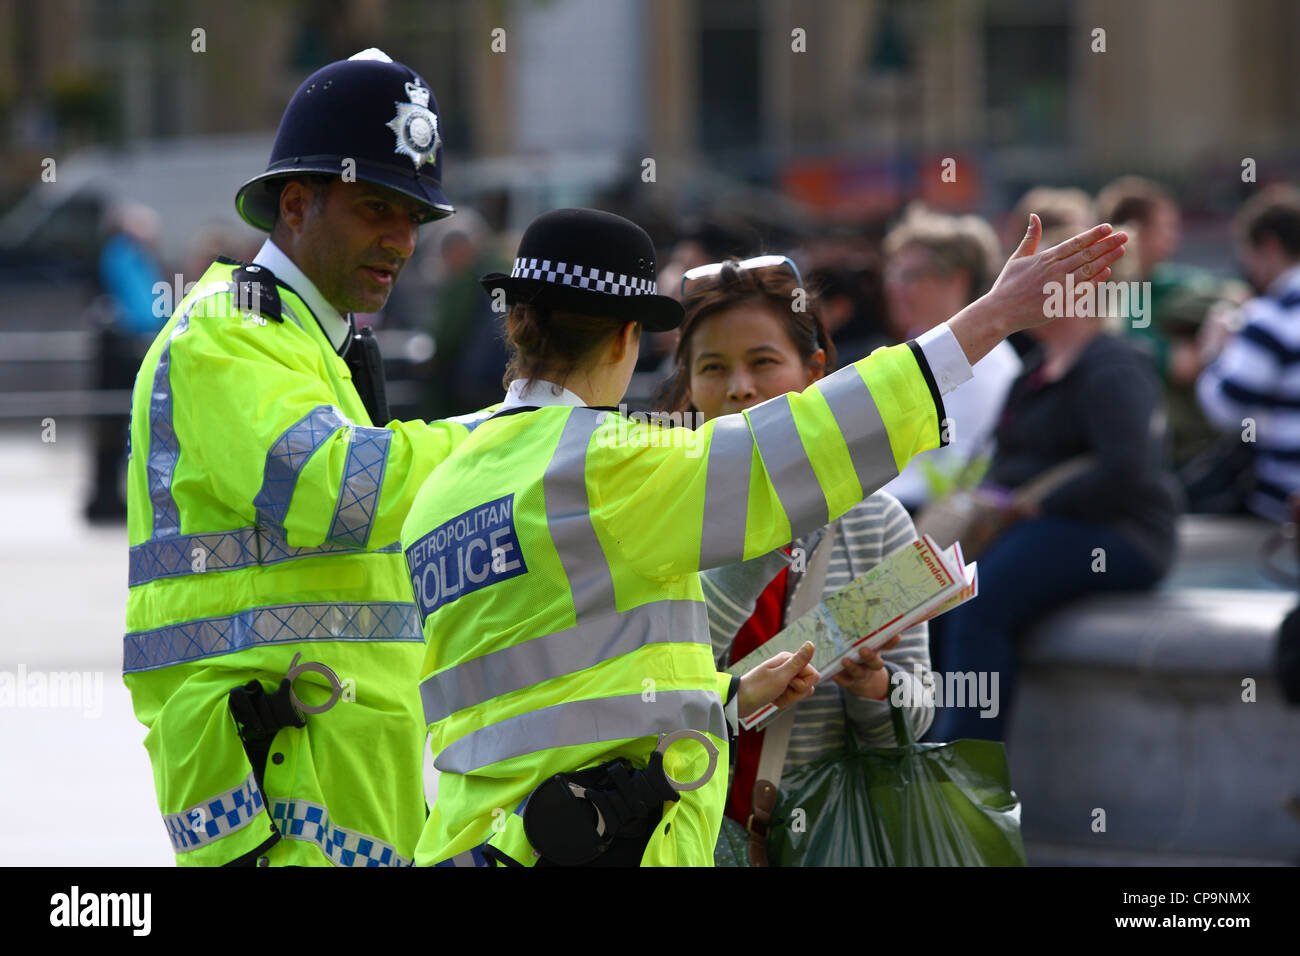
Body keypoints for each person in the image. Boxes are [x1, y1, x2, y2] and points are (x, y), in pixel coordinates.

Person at [400, 206, 1129, 866]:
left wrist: (730, 697)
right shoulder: (611, 463)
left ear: (517, 323)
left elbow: (569, 690)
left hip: (473, 842)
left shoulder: (442, 485)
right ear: (629, 338)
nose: (740, 388)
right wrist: (991, 317)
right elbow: (805, 438)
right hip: (600, 846)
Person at [123, 49, 494, 867]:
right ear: (296, 204)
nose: (402, 241)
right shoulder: (230, 331)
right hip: (278, 785)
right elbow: (335, 492)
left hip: (335, 775)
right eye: (376, 210)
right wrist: (507, 440)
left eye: (414, 218)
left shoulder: (313, 341)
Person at [657, 259, 934, 854]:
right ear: (687, 383)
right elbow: (651, 708)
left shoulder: (875, 521)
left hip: (826, 840)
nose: (739, 388)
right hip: (686, 841)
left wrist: (876, 688)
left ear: (814, 373)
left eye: (762, 362)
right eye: (712, 368)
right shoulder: (659, 518)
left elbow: (916, 716)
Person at [927, 228, 1182, 743]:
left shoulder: (1114, 365)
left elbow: (1126, 469)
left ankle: (964, 767)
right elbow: (1004, 460)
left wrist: (1034, 507)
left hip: (1118, 534)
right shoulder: (1035, 371)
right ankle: (925, 742)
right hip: (1037, 526)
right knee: (933, 596)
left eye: (1047, 279)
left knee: (981, 599)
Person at [881, 205, 1023, 512]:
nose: (895, 287)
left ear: (957, 281)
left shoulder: (988, 363)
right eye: (893, 273)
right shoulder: (911, 348)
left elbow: (950, 477)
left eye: (911, 275)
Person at [1196, 184, 1300, 522]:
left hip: (1282, 505)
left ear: (1268, 246)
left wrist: (1215, 352)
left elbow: (1226, 407)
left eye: (1248, 253)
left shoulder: (1271, 316)